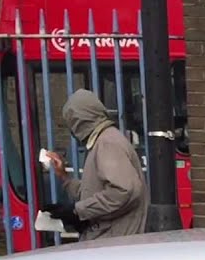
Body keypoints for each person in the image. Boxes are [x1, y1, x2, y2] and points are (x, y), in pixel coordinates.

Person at [44, 89, 148, 240]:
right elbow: (94, 192)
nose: (72, 131)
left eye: (71, 123)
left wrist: (77, 211)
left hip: (114, 243)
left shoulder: (108, 143)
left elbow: (123, 192)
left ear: (80, 121)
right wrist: (65, 178)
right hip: (111, 240)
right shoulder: (102, 141)